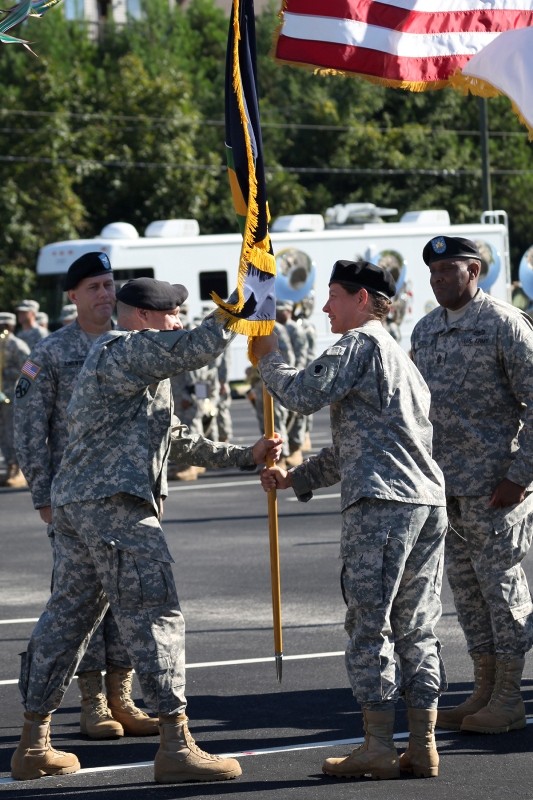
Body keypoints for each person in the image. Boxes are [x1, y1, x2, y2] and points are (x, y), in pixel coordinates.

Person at [11, 276, 282, 784]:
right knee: (156, 615)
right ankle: (176, 745)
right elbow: (198, 348)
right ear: (142, 317)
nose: (178, 323)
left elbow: (173, 437)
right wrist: (239, 306)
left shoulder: (131, 365)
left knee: (66, 621)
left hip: (81, 507)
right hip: (115, 509)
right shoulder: (125, 349)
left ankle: (33, 743)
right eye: (171, 315)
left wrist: (243, 455)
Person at [253, 260, 448, 781]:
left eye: (334, 296)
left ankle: (379, 745)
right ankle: (424, 745)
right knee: (417, 626)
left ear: (362, 298)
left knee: (369, 625)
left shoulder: (360, 344)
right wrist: (296, 479)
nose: (325, 308)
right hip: (424, 503)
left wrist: (266, 360)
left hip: (383, 505)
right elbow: (353, 448)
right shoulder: (399, 357)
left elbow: (301, 395)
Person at [14, 252, 159, 741]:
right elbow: (30, 429)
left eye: (108, 284)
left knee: (128, 600)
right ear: (72, 296)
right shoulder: (51, 353)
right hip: (75, 503)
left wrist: (154, 485)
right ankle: (93, 700)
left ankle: (123, 693)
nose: (104, 294)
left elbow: (156, 424)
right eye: (93, 287)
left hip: (129, 499)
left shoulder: (132, 346)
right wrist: (43, 497)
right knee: (80, 602)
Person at [411, 235, 533, 735]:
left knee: (502, 590)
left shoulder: (504, 325)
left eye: (449, 271)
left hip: (495, 489)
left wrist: (518, 477)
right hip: (446, 489)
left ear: (475, 271)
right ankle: (482, 687)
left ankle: (509, 697)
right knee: (467, 593)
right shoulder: (425, 331)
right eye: (434, 272)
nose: (439, 280)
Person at [0, 312, 30, 488]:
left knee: (13, 433)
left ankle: (18, 469)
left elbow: (31, 369)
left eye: (3, 326)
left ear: (10, 326)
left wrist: (10, 374)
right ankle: (9, 465)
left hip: (13, 396)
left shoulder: (17, 345)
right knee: (2, 433)